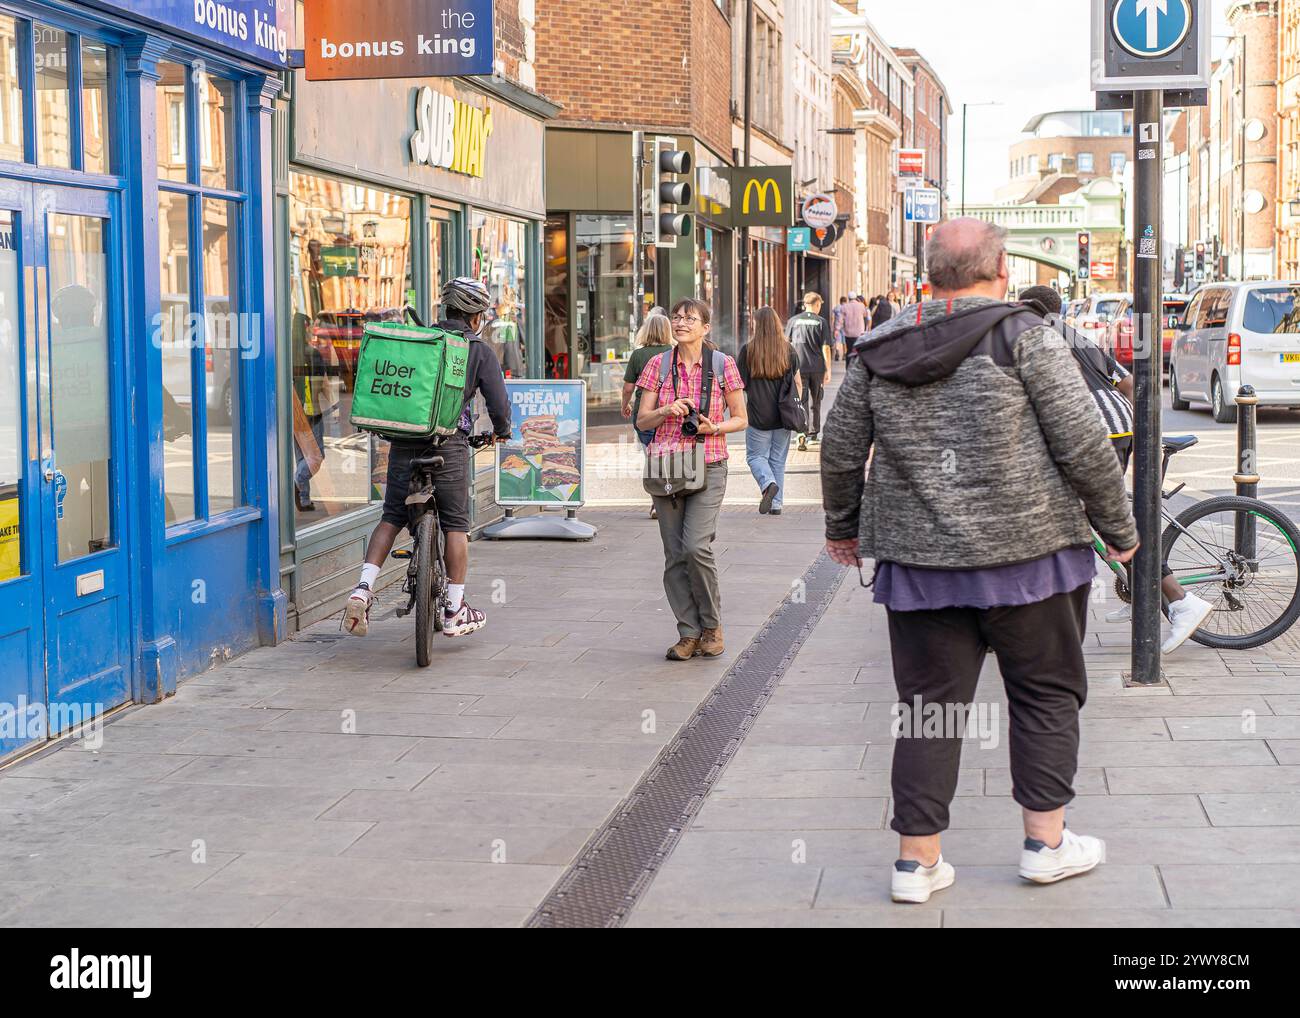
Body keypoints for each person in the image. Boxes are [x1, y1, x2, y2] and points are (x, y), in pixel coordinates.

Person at [821, 219, 1138, 905]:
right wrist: (1119, 530)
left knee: (929, 710)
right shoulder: (1027, 337)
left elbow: (841, 448)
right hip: (1033, 562)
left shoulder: (878, 347)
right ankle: (1047, 845)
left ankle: (916, 862)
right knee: (1045, 696)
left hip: (922, 569)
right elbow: (1084, 443)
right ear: (1000, 272)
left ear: (926, 277)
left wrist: (843, 529)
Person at [1019, 285, 1213, 653]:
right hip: (1121, 425)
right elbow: (1126, 382)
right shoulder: (1077, 335)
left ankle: (1181, 601)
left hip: (1097, 432)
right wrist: (1145, 431)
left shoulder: (1038, 336)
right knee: (1104, 516)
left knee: (1099, 520)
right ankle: (1140, 594)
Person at [343, 278, 512, 639]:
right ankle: (454, 609)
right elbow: (498, 402)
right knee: (455, 524)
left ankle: (363, 588)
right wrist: (502, 429)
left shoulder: (422, 341)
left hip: (404, 442)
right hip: (449, 447)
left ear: (445, 309)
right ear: (475, 315)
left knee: (391, 515)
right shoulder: (477, 349)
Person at [636, 297, 747, 661]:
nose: (681, 322)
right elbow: (642, 420)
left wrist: (714, 427)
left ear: (705, 327)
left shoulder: (722, 364)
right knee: (674, 555)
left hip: (709, 462)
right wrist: (667, 409)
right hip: (666, 467)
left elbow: (741, 418)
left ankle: (712, 626)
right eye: (677, 317)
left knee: (695, 546)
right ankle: (688, 632)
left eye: (690, 318)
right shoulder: (658, 364)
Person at [739, 306, 800, 515]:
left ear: (757, 325)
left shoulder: (748, 350)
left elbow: (740, 385)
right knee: (777, 460)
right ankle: (776, 504)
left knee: (755, 457)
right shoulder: (789, 350)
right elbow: (797, 383)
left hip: (757, 415)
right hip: (783, 415)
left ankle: (768, 483)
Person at [623, 311, 674, 520]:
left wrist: (625, 405)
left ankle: (656, 503)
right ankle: (671, 497)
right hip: (670, 413)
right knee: (671, 457)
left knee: (651, 457)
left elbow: (628, 387)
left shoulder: (638, 355)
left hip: (644, 415)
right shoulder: (675, 351)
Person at [785, 292, 832, 451]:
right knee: (816, 400)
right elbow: (826, 347)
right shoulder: (821, 322)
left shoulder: (793, 321)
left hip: (798, 366)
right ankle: (813, 434)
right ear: (817, 304)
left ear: (805, 304)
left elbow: (787, 345)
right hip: (817, 367)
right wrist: (828, 369)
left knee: (800, 399)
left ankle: (801, 432)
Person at [840, 290, 868, 362]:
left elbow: (840, 320)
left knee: (849, 350)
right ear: (856, 297)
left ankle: (848, 366)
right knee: (858, 350)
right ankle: (856, 366)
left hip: (848, 333)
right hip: (859, 332)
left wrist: (836, 329)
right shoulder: (861, 306)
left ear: (848, 298)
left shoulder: (844, 306)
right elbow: (865, 316)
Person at [831, 296, 848, 361]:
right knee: (844, 341)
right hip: (844, 326)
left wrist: (832, 325)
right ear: (846, 301)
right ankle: (844, 354)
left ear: (840, 301)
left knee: (837, 341)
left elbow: (832, 317)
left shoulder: (836, 307)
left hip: (837, 326)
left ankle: (837, 353)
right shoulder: (846, 308)